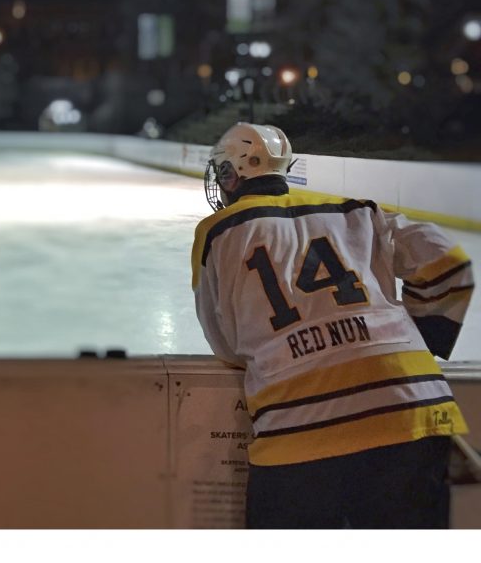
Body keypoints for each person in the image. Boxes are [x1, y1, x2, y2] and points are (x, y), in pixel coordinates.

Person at [193, 121, 473, 529]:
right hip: (416, 412)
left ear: (230, 175)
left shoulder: (217, 231)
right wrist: (414, 340)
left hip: (298, 434)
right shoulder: (358, 209)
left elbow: (226, 342)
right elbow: (448, 263)